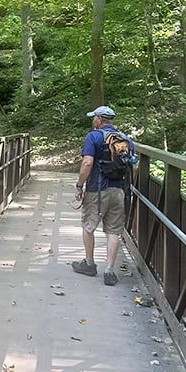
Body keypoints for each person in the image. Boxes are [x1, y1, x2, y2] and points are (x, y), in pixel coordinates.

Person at [72, 105, 134, 286]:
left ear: (99, 119)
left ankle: (89, 264)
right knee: (113, 231)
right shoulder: (125, 139)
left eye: (94, 118)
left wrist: (79, 185)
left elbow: (87, 163)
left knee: (89, 225)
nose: (93, 121)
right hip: (119, 190)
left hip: (97, 190)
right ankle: (109, 271)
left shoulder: (94, 136)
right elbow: (133, 165)